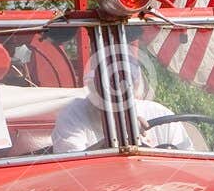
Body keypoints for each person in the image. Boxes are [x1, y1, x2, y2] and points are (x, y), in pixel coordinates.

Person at [50, 57, 194, 152]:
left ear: (135, 89)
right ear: (93, 86)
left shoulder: (160, 113)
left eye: (123, 84)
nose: (115, 91)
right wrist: (119, 136)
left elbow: (188, 163)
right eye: (107, 85)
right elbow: (74, 171)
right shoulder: (73, 115)